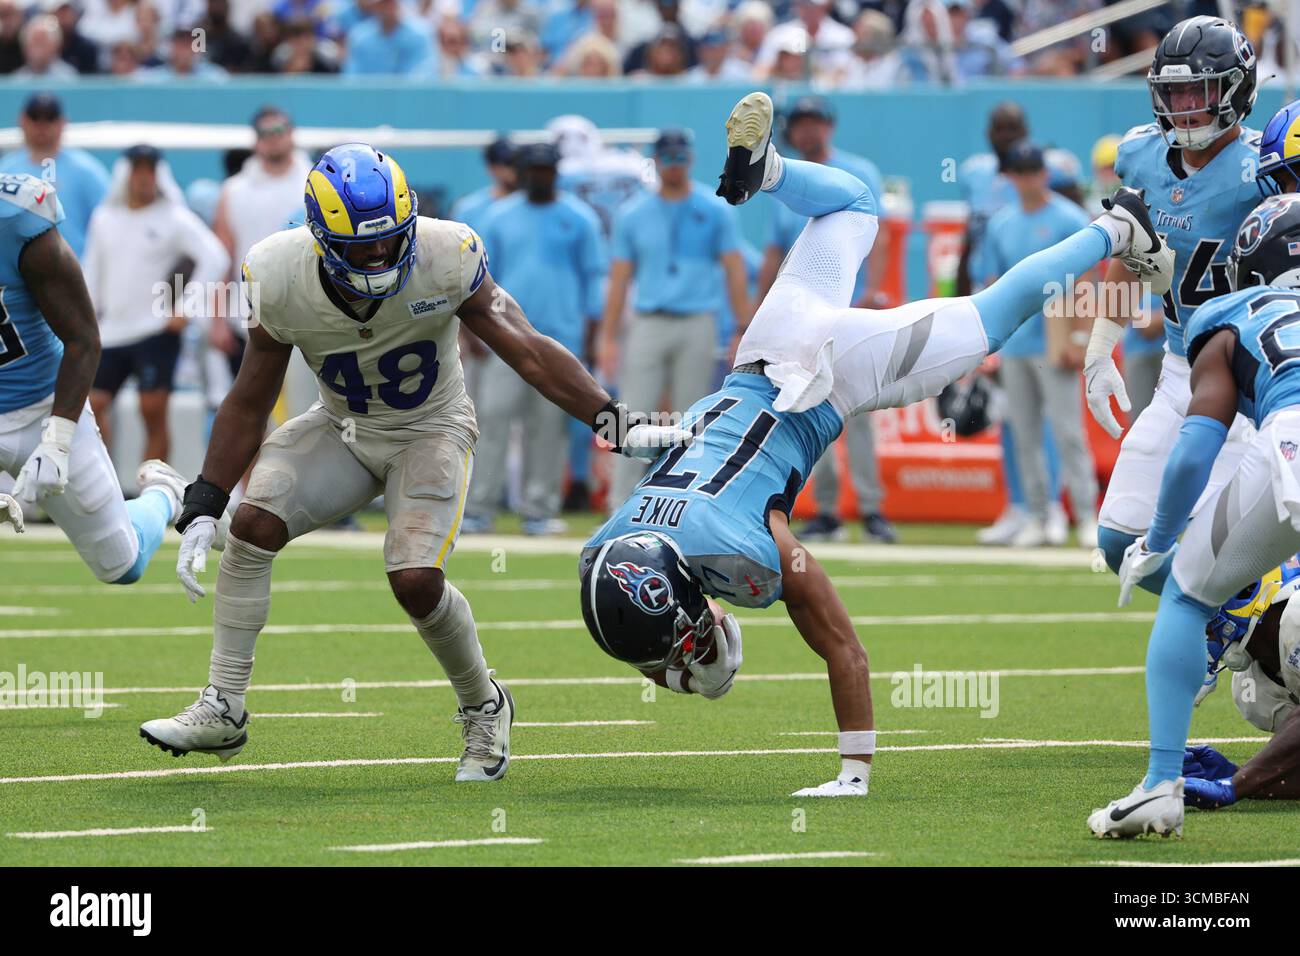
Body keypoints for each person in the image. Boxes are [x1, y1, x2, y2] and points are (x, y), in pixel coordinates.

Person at [581, 91, 1172, 798]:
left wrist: (852, 773)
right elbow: (660, 445)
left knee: (997, 312)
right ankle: (768, 171)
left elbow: (843, 647)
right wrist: (626, 428)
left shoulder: (745, 548)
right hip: (761, 346)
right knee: (856, 203)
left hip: (831, 375)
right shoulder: (611, 542)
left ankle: (1114, 228)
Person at [139, 144, 684, 781]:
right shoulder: (275, 272)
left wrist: (614, 422)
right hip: (344, 426)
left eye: (386, 242)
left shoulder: (447, 253)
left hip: (432, 428)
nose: (375, 257)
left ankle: (485, 705)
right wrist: (207, 496)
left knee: (414, 578)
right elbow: (252, 394)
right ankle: (225, 706)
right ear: (317, 238)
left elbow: (528, 350)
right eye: (358, 247)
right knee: (251, 525)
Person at [1098, 191, 1300, 838]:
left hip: (1292, 443)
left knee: (1187, 597)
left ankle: (1160, 785)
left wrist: (1157, 541)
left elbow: (1192, 450)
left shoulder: (1231, 311)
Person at [1084, 17, 1264, 600]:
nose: (1186, 108)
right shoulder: (1140, 156)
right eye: (1174, 93)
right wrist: (1101, 341)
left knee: (1220, 542)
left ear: (1237, 90)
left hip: (1250, 374)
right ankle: (1235, 623)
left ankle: (1248, 628)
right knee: (1116, 541)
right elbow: (1129, 253)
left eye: (1200, 92)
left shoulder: (1264, 168)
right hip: (1180, 367)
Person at [0, 170, 195, 586]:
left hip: (42, 406)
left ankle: (164, 495)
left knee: (121, 565)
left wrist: (56, 440)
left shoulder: (16, 221)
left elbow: (84, 339)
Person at [762, 95, 894, 545]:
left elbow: (882, 235)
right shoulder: (786, 181)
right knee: (808, 412)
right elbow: (775, 252)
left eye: (816, 121)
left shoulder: (856, 173)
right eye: (801, 123)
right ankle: (826, 509)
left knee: (857, 411)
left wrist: (875, 292)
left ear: (830, 126)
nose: (809, 130)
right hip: (806, 319)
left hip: (852, 312)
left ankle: (873, 509)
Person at [598, 128, 751, 508]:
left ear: (691, 159)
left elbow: (734, 270)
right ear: (656, 162)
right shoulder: (633, 214)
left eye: (680, 158)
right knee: (632, 413)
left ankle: (686, 502)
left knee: (692, 415)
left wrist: (742, 328)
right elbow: (619, 279)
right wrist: (608, 336)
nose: (674, 166)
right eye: (667, 158)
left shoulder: (714, 209)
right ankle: (621, 503)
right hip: (649, 320)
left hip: (698, 319)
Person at [461, 141, 607, 536]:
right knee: (491, 420)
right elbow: (473, 279)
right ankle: (477, 508)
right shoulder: (498, 217)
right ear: (523, 172)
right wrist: (470, 331)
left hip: (561, 340)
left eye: (548, 169)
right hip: (503, 337)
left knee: (548, 427)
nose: (542, 176)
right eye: (535, 169)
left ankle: (539, 510)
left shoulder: (579, 219)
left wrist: (593, 338)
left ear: (556, 172)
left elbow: (593, 279)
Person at [975, 140, 1098, 548]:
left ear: (1044, 174)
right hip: (1016, 344)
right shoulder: (1002, 224)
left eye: (1034, 171)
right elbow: (992, 284)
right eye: (1020, 172)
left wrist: (1080, 336)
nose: (1028, 180)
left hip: (1056, 341)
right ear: (1011, 177)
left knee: (1068, 432)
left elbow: (1086, 281)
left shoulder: (1068, 218)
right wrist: (988, 345)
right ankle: (1039, 515)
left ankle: (1086, 515)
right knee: (1025, 434)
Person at [83, 145, 229, 462]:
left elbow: (215, 257)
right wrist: (86, 320)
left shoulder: (174, 217)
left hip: (155, 331)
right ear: (127, 174)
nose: (144, 177)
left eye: (150, 170)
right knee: (92, 409)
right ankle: (101, 492)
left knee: (151, 412)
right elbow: (92, 273)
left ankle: (156, 495)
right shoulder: (104, 218)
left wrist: (187, 310)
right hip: (110, 332)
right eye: (138, 169)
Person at [1177, 559, 1300, 810]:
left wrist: (1236, 785)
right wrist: (1237, 774)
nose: (1207, 632)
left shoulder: (1296, 615)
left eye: (1210, 620)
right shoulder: (1255, 690)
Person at [0, 93, 109, 260]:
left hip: (76, 276)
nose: (42, 126)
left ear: (62, 123)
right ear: (22, 120)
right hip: (18, 278)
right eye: (35, 118)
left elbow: (110, 225)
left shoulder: (86, 171)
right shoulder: (6, 170)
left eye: (49, 118)